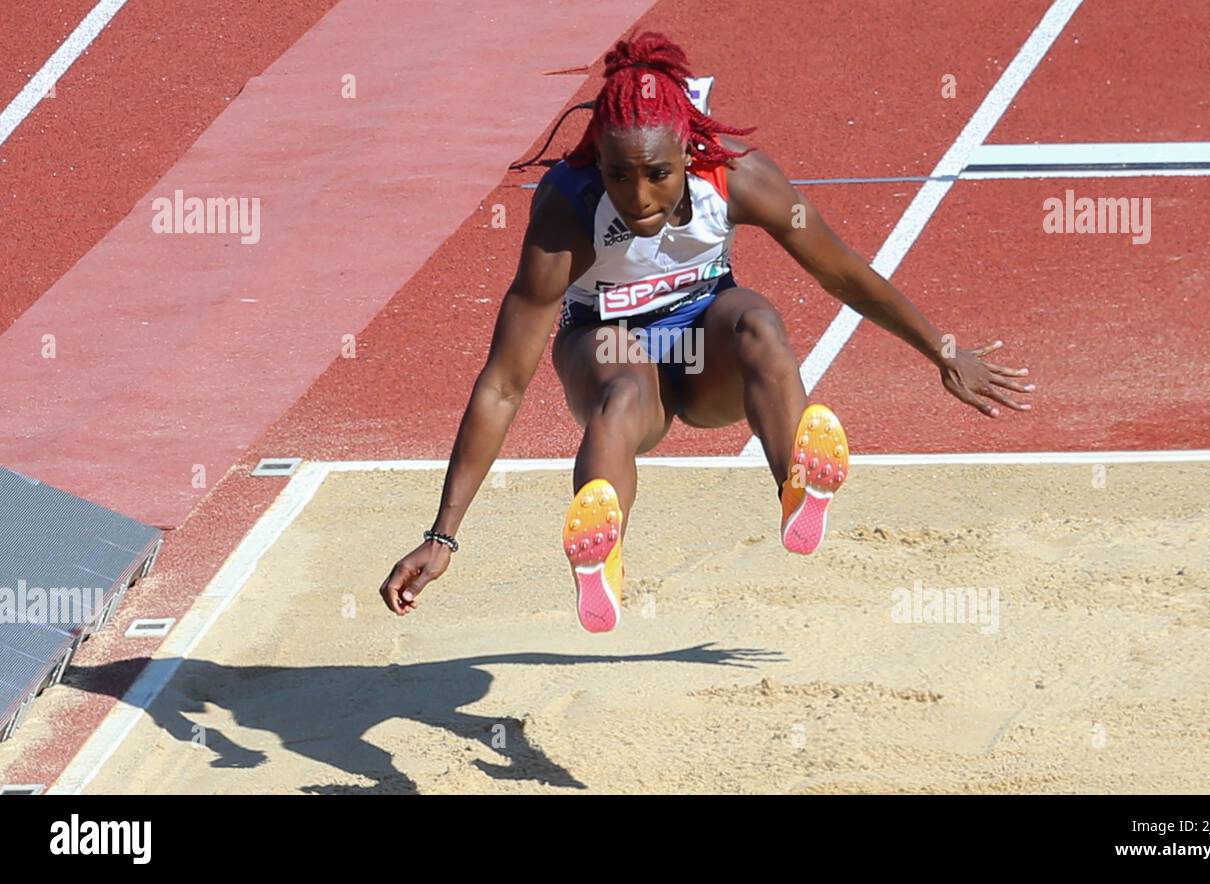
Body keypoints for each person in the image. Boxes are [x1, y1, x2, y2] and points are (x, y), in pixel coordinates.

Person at [380, 31, 1033, 632]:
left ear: (687, 149)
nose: (637, 196)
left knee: (758, 321)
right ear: (597, 161)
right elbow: (503, 383)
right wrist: (443, 535)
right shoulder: (569, 206)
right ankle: (600, 561)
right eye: (618, 174)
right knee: (623, 390)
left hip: (705, 358)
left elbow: (844, 274)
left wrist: (940, 350)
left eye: (657, 174)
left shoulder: (739, 176)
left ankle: (797, 489)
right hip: (609, 352)